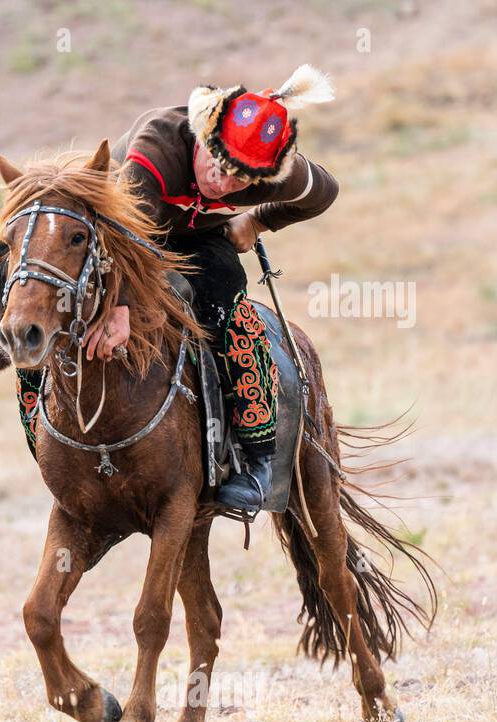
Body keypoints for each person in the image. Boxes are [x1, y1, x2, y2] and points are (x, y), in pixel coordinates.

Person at [98, 64, 338, 509]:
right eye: (217, 163)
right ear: (204, 136)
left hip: (199, 240)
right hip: (118, 237)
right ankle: (47, 423)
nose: (222, 182)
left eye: (240, 180)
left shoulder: (269, 173)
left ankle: (256, 458)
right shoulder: (157, 147)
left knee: (227, 298)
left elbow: (324, 191)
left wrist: (259, 220)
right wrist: (120, 308)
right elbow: (132, 244)